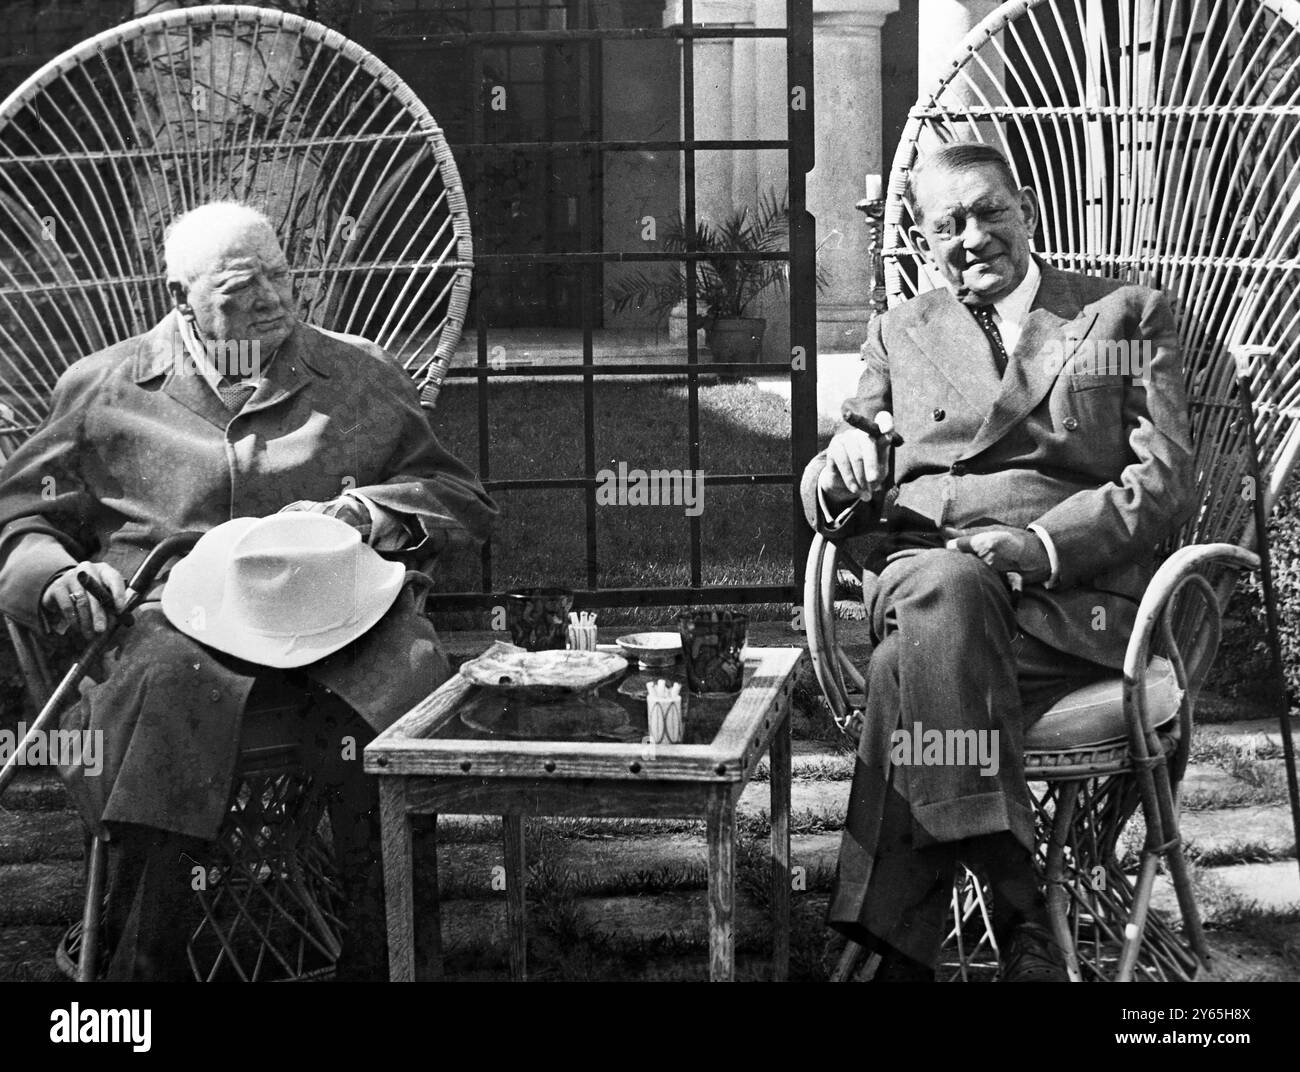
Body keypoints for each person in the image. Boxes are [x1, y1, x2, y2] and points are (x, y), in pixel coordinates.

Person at [0, 201, 497, 980]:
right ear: (179, 298)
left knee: (397, 697)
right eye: (240, 286)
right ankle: (133, 984)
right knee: (159, 699)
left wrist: (368, 512)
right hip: (172, 628)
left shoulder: (358, 374)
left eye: (278, 274)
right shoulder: (104, 391)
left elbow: (458, 497)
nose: (269, 298)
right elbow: (19, 515)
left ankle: (396, 959)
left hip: (340, 619)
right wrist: (58, 576)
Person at [802, 143, 1195, 981]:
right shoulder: (898, 332)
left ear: (1025, 210)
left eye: (990, 212)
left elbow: (1163, 479)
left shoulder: (1124, 316)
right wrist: (837, 462)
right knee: (946, 584)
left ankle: (898, 948)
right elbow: (845, 470)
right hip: (926, 567)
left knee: (905, 665)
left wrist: (1042, 546)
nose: (973, 237)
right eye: (948, 225)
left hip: (1069, 607)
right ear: (921, 238)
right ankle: (1019, 898)